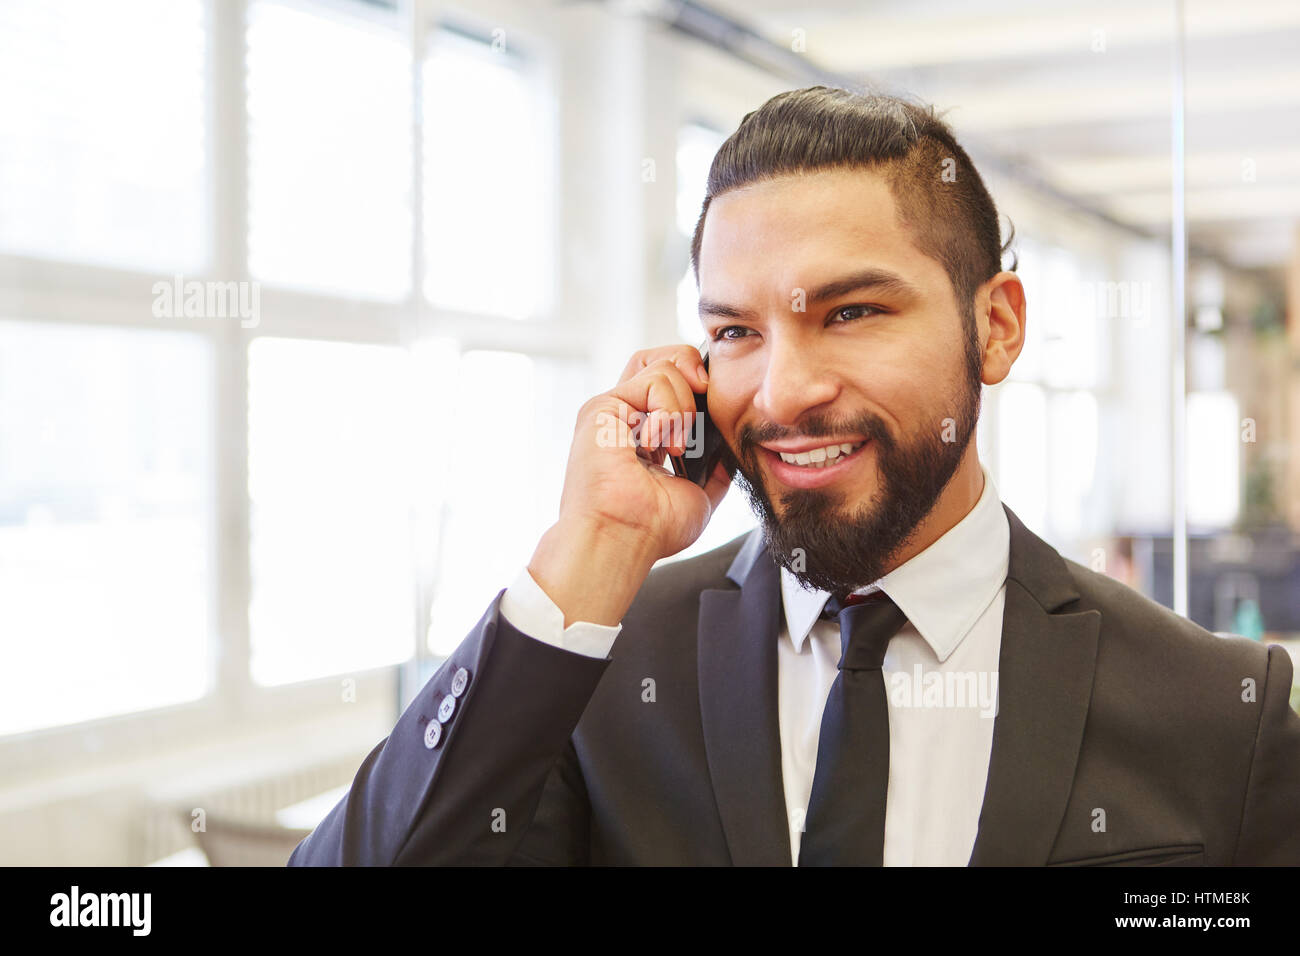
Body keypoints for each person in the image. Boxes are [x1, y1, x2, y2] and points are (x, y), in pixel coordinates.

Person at [288, 86, 1300, 866]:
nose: (783, 391)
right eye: (735, 330)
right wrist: (592, 551)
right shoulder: (596, 669)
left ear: (995, 326)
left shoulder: (1217, 708)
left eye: (851, 312)